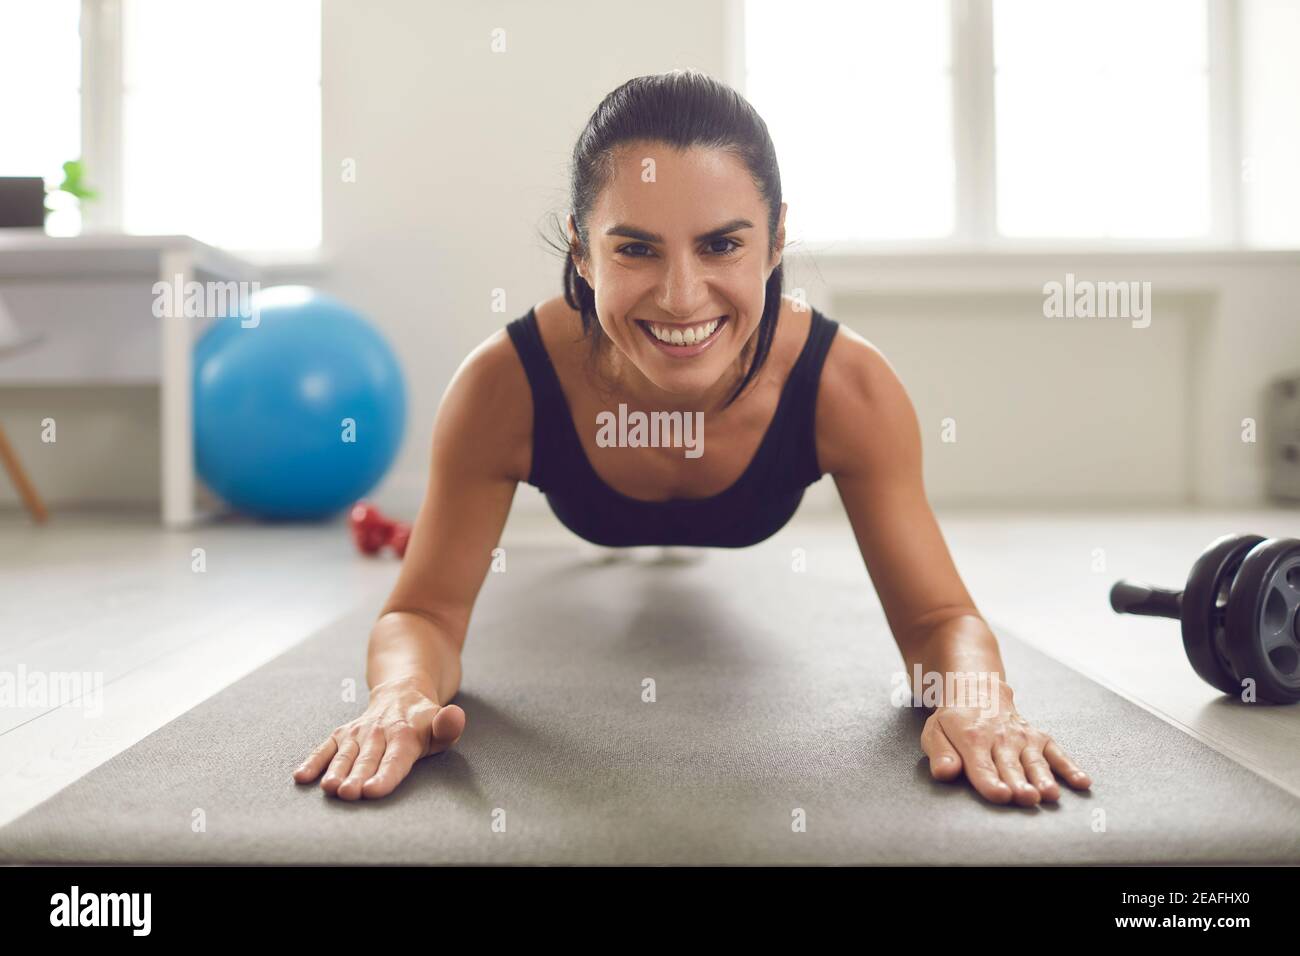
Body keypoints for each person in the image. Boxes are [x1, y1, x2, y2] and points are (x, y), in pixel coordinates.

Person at [293, 69, 1092, 807]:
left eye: (722, 244)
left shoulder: (849, 388)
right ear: (580, 245)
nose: (680, 298)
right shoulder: (503, 387)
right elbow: (424, 612)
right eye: (635, 248)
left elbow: (939, 620)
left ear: (777, 239)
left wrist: (981, 700)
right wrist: (399, 694)